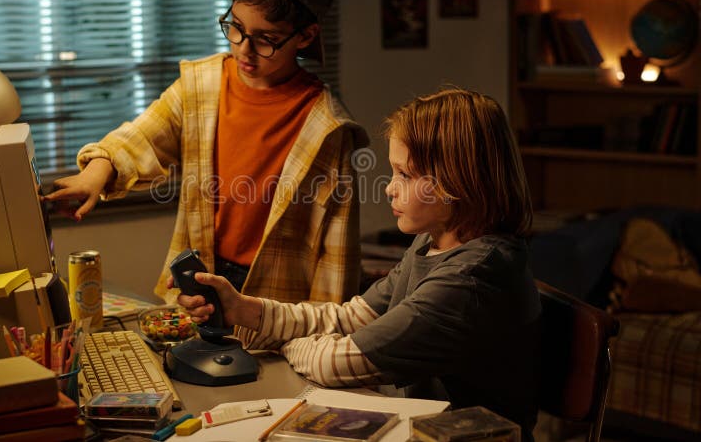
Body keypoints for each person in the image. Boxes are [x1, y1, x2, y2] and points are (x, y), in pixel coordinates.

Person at [172, 88, 542, 441]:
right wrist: (243, 310)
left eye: (405, 174)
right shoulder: (433, 243)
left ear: (458, 179)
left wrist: (284, 344)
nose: (389, 188)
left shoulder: (472, 277)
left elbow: (334, 364)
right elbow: (350, 318)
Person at [43, 0, 368, 303]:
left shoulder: (327, 126)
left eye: (267, 39)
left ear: (306, 36)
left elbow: (335, 256)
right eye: (236, 27)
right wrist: (94, 173)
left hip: (277, 302)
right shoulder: (201, 85)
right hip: (199, 279)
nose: (243, 48)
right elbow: (142, 137)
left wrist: (324, 328)